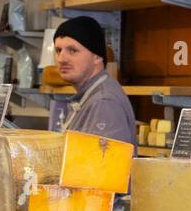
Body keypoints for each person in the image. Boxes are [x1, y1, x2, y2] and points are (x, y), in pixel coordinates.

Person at [53, 16, 137, 145]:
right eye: (58, 50)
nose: (61, 59)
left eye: (72, 50)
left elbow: (105, 162)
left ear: (97, 57)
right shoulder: (89, 97)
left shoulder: (104, 103)